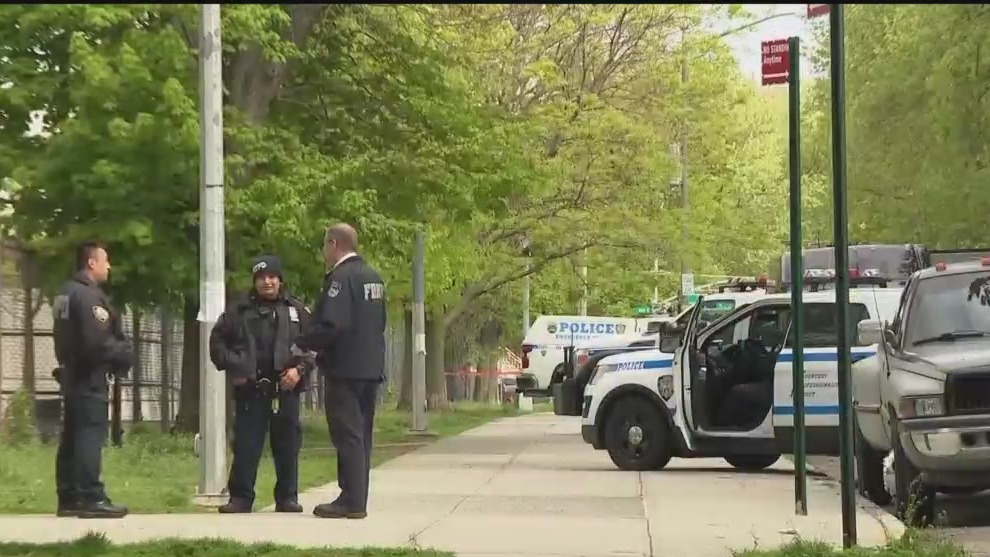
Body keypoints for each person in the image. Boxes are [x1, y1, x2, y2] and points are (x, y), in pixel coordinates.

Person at [208, 255, 315, 513]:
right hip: (251, 390)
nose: (267, 282)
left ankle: (287, 497)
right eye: (261, 278)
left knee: (288, 445)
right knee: (246, 446)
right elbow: (217, 345)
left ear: (280, 280)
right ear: (254, 281)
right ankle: (241, 498)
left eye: (272, 277)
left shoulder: (297, 310)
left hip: (286, 390)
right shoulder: (237, 311)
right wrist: (237, 367)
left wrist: (298, 370)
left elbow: (313, 346)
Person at [294, 223, 386, 519]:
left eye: (325, 246)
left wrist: (304, 343)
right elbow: (378, 322)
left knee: (347, 434)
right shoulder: (373, 277)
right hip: (370, 367)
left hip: (344, 368)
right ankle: (357, 496)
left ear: (334, 244)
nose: (324, 252)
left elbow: (333, 324)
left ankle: (351, 500)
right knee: (362, 434)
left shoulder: (340, 279)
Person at [52, 241, 132, 519]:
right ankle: (91, 497)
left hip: (70, 373)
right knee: (89, 434)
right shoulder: (88, 297)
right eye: (105, 260)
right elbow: (97, 342)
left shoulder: (65, 292)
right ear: (91, 263)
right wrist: (124, 353)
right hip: (89, 375)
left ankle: (69, 496)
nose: (108, 266)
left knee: (72, 435)